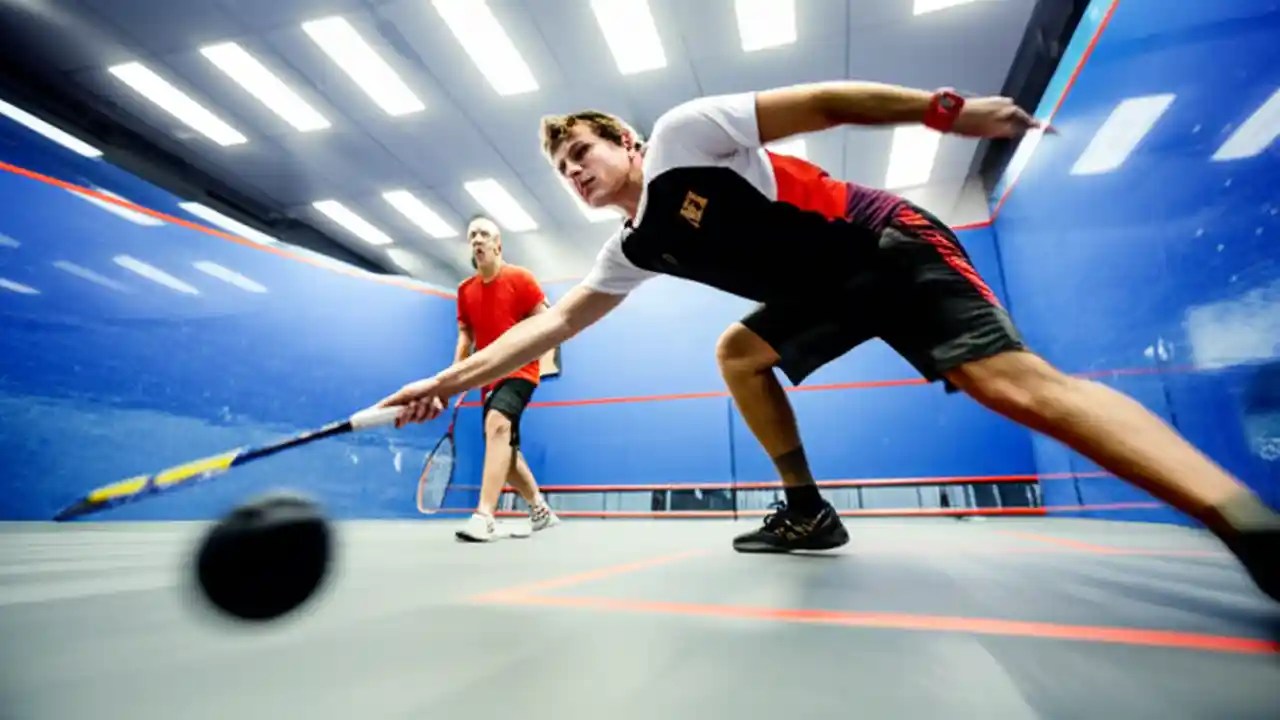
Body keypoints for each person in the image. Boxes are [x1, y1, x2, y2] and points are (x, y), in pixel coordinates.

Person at [377, 81, 1278, 601]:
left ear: (625, 141)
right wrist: (443, 382)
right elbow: (550, 325)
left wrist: (945, 111)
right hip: (823, 295)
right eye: (562, 168)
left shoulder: (688, 137)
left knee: (1009, 386)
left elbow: (823, 101)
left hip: (881, 242)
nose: (574, 171)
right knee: (739, 353)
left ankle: (1240, 518)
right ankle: (807, 510)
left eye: (582, 152)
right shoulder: (633, 247)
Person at [451, 215, 560, 541]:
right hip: (490, 377)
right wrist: (454, 375)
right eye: (472, 235)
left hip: (522, 370)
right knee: (505, 451)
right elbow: (466, 336)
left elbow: (548, 321)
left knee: (497, 423)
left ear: (498, 245)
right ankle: (540, 509)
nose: (477, 239)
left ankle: (484, 515)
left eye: (484, 234)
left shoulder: (521, 279)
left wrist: (537, 356)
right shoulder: (465, 291)